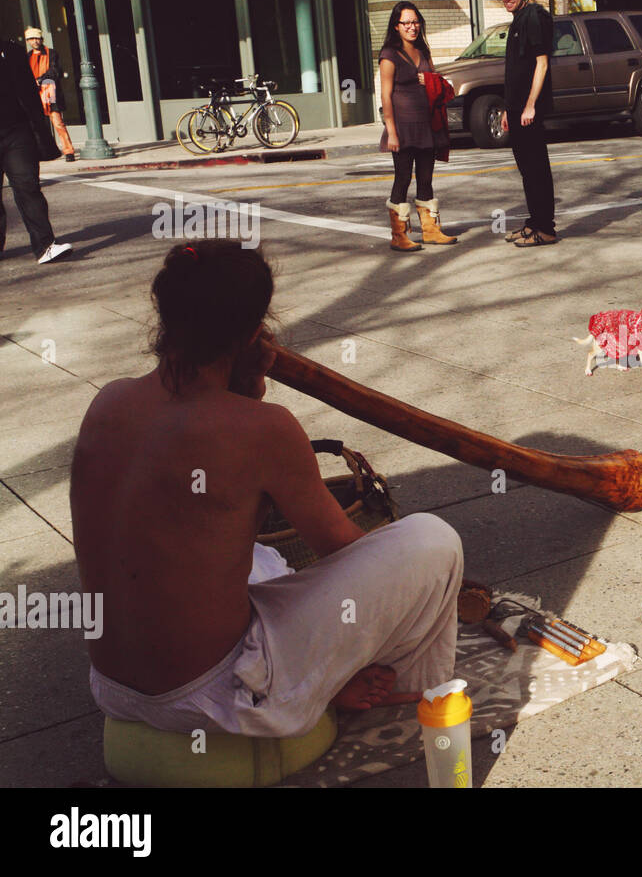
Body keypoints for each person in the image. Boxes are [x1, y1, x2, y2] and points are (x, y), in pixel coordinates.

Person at [71, 240, 464, 737]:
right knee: (431, 540)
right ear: (255, 334)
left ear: (164, 316)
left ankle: (323, 678)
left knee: (259, 559)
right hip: (212, 698)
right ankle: (407, 692)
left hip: (113, 688)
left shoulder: (107, 402)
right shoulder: (264, 428)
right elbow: (338, 548)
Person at [379, 1, 456, 252]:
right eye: (406, 23)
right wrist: (391, 130)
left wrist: (430, 79)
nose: (412, 27)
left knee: (426, 178)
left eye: (415, 22)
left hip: (426, 126)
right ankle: (398, 235)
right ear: (396, 26)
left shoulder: (423, 50)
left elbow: (436, 82)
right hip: (402, 127)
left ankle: (431, 231)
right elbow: (385, 96)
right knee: (402, 178)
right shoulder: (389, 54)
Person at [500, 0, 559, 247]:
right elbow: (515, 72)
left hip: (529, 109)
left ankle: (545, 228)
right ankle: (534, 223)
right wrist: (506, 109)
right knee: (526, 169)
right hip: (516, 108)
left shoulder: (533, 17)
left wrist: (530, 105)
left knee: (536, 168)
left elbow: (542, 63)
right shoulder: (518, 20)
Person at [0, 37, 69, 263]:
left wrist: (39, 134)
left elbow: (29, 94)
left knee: (28, 187)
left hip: (16, 132)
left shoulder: (11, 50)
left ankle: (45, 245)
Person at [24, 27, 75, 162]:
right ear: (28, 41)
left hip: (49, 92)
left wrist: (39, 80)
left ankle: (68, 150)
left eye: (36, 38)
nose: (34, 41)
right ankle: (41, 152)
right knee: (34, 125)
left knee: (58, 122)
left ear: (41, 39)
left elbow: (55, 71)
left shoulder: (51, 53)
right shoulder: (27, 56)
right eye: (31, 39)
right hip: (34, 93)